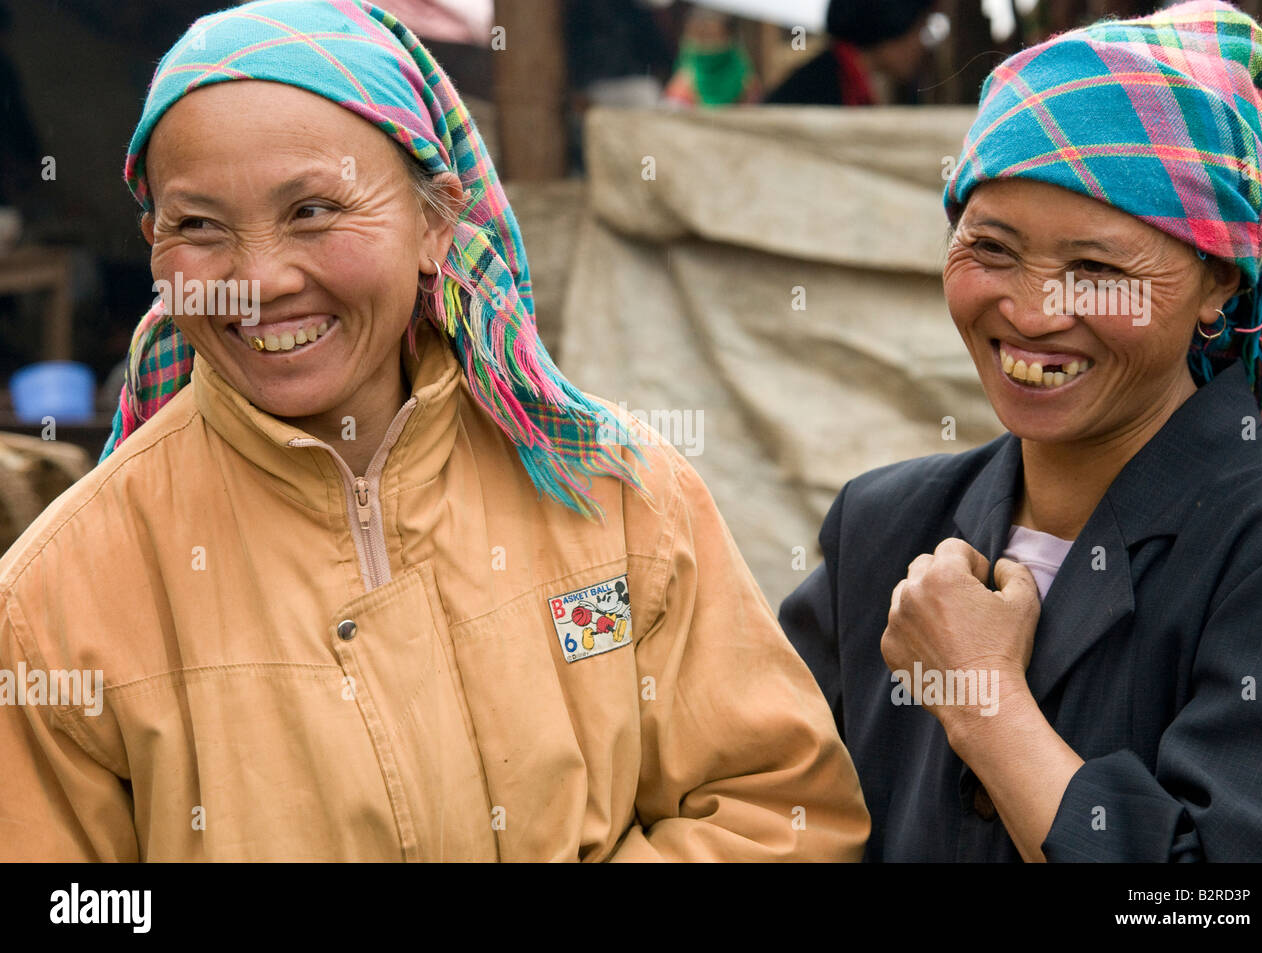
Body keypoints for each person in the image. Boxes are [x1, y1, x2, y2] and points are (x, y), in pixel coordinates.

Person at [0, 0, 869, 861]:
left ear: (435, 219)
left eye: (313, 210)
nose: (258, 280)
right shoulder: (55, 600)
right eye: (198, 226)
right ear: (153, 245)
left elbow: (780, 809)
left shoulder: (620, 495)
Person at [780, 0, 1262, 861]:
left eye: (1095, 268)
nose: (1030, 311)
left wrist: (985, 701)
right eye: (991, 248)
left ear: (1217, 282)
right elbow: (764, 804)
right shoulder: (883, 526)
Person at [765, 0, 935, 106]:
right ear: (895, 22)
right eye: (921, 30)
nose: (923, 46)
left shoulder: (841, 74)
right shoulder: (824, 87)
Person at [663, 7, 762, 107]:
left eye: (711, 36)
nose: (703, 46)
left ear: (728, 37)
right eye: (697, 37)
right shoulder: (681, 85)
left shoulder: (746, 82)